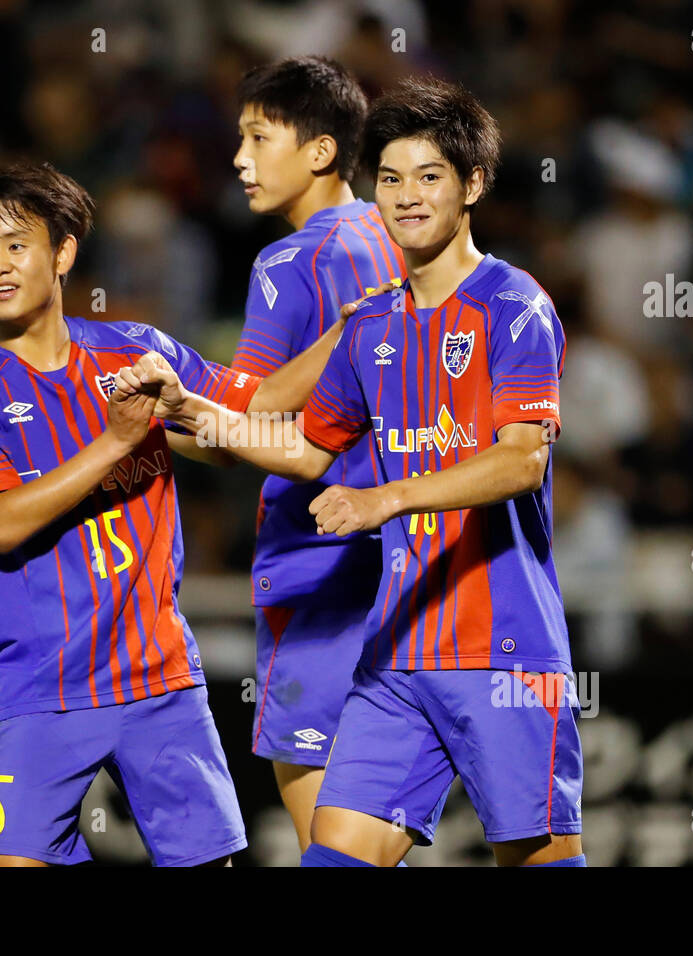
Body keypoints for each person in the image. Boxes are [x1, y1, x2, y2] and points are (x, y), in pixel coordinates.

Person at [117, 77, 584, 867]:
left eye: (429, 177)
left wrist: (387, 500)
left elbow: (520, 458)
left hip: (500, 650)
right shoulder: (370, 325)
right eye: (391, 179)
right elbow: (305, 449)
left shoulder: (515, 304)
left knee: (538, 859)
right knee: (332, 855)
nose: (405, 197)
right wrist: (189, 410)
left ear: (473, 185)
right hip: (396, 653)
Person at [0, 161, 335, 867]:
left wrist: (349, 332)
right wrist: (114, 441)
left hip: (158, 681)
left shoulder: (133, 352)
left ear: (63, 252)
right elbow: (1, 522)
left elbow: (247, 415)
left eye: (15, 245)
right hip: (37, 689)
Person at [230, 56, 403, 849]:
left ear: (322, 151)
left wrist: (148, 425)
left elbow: (243, 417)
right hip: (413, 569)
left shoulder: (288, 261)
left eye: (260, 137)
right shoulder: (402, 237)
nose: (240, 158)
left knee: (328, 856)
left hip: (316, 574)